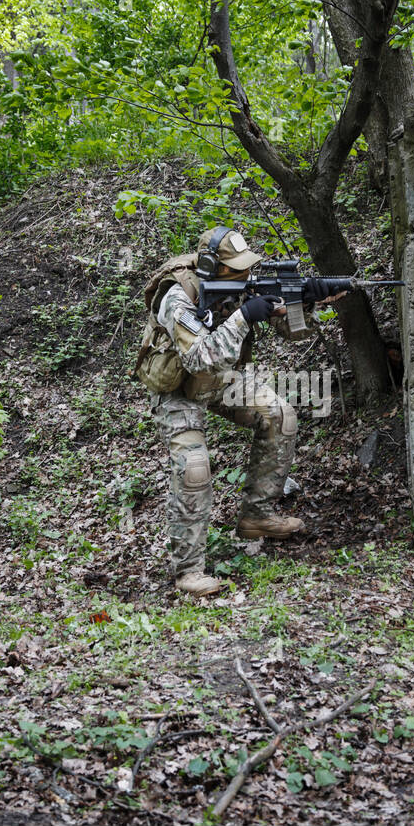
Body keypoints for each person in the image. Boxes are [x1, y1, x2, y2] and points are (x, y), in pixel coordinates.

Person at [141, 226, 309, 597]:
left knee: (280, 415)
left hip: (221, 380)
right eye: (236, 269)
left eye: (247, 267)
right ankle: (188, 570)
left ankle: (258, 516)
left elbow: (292, 331)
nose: (245, 275)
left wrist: (299, 302)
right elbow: (199, 359)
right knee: (194, 467)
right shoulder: (177, 296)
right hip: (179, 390)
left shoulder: (244, 285)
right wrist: (244, 316)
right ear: (210, 266)